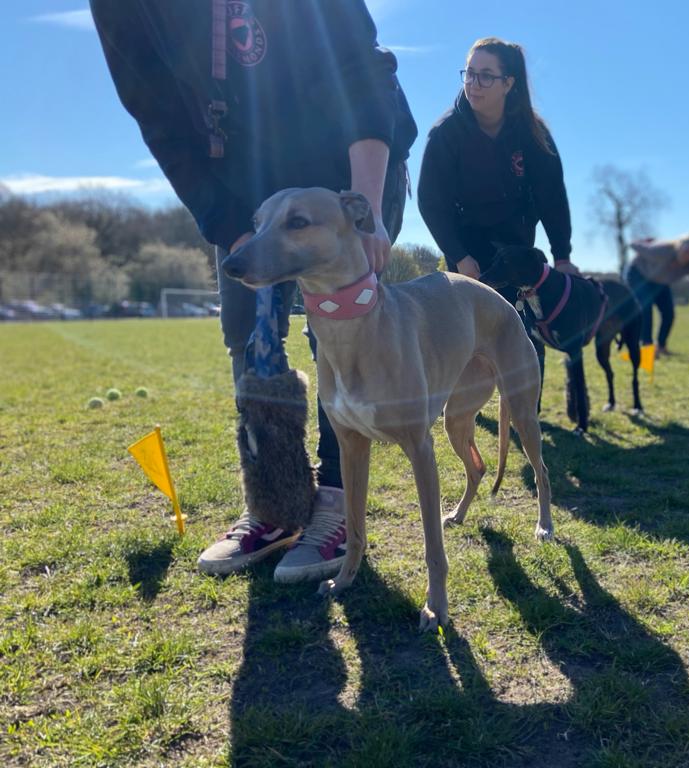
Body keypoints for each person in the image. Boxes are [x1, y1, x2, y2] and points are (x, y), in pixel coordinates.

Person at [91, 0, 417, 581]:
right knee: (249, 332)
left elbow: (357, 64)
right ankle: (275, 504)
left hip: (345, 157)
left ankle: (340, 506)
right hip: (241, 173)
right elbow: (158, 113)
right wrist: (231, 223)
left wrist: (363, 206)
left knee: (342, 328)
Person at [417, 37, 579, 388]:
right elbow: (431, 202)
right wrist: (460, 256)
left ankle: (526, 410)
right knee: (466, 337)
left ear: (509, 83)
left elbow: (552, 197)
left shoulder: (534, 135)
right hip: (467, 248)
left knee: (523, 332)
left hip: (518, 249)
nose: (474, 84)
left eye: (486, 76)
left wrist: (562, 255)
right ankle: (466, 409)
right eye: (469, 74)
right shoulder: (446, 135)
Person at [624, 234, 689, 355]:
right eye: (686, 250)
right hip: (638, 274)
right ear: (679, 246)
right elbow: (633, 245)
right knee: (646, 308)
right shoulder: (662, 250)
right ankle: (647, 346)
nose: (687, 255)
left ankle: (661, 346)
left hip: (661, 282)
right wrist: (641, 241)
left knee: (669, 312)